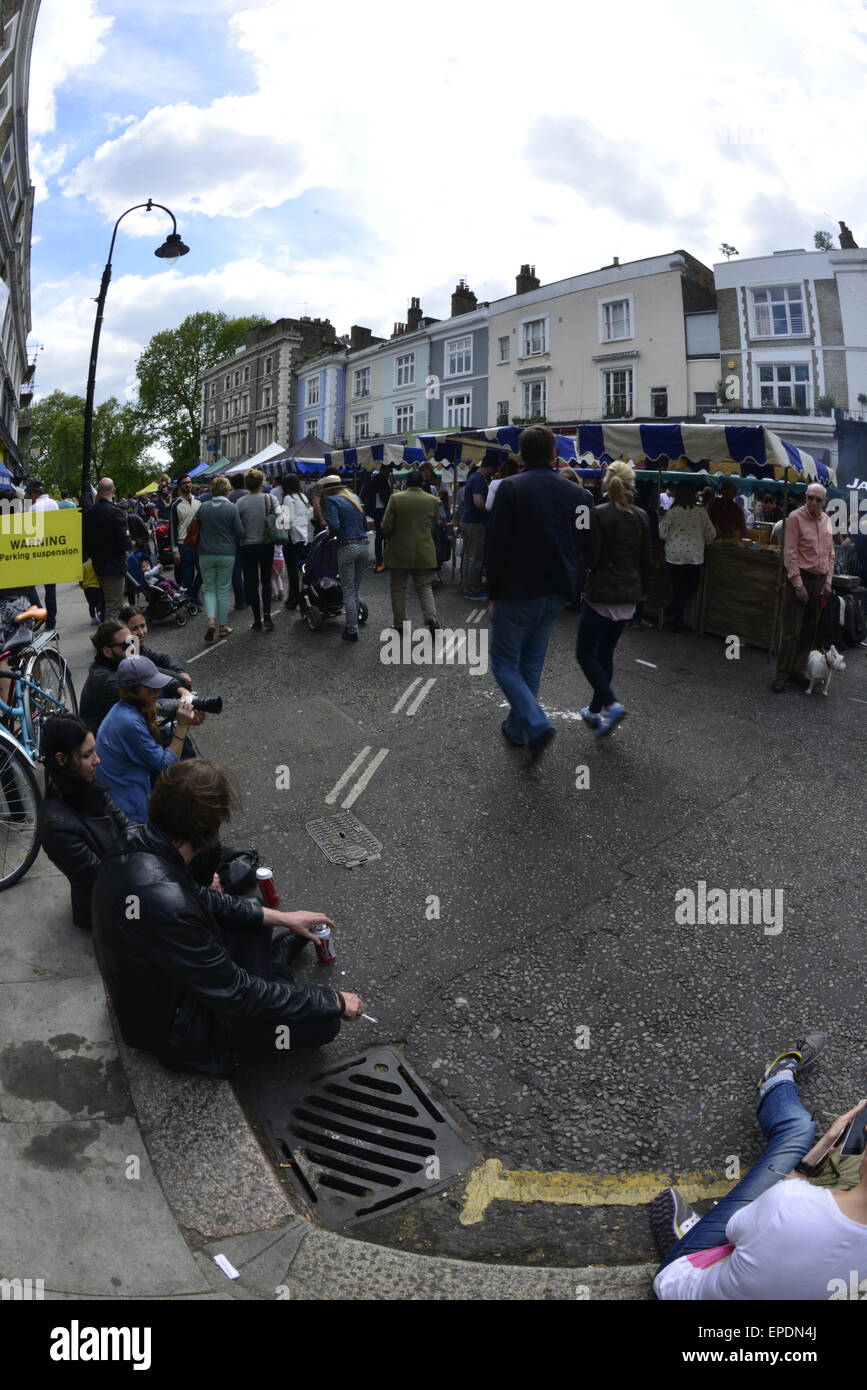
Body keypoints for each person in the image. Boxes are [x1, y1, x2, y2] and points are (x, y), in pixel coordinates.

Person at [91, 759, 363, 1077]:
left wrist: (283, 918)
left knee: (252, 913)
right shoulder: (168, 905)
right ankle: (276, 970)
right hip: (175, 1028)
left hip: (157, 988)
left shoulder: (139, 840)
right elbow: (236, 993)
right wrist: (331, 999)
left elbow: (200, 897)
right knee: (324, 1025)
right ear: (211, 825)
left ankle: (275, 972)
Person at [652, 1034, 867, 1300]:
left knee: (798, 1129)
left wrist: (823, 1146)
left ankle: (778, 1076)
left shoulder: (789, 1201)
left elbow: (735, 1232)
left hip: (681, 1285)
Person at [485, 426, 591, 760]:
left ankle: (534, 721)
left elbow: (496, 545)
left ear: (521, 454)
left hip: (518, 590)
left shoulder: (510, 488)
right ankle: (519, 729)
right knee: (531, 663)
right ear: (553, 454)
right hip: (557, 591)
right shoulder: (582, 496)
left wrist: (493, 593)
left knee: (503, 662)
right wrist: (575, 587)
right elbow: (585, 545)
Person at [576, 459, 652, 738]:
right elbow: (647, 558)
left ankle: (610, 703)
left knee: (584, 653)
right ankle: (595, 710)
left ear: (607, 483)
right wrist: (644, 590)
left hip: (602, 593)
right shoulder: (642, 516)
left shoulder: (597, 513)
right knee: (605, 652)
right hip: (629, 594)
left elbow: (592, 557)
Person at [38, 715, 128, 931]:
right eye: (88, 754)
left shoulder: (81, 781)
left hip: (127, 877)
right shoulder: (55, 825)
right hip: (111, 907)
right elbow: (105, 882)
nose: (98, 760)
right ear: (62, 759)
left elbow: (126, 825)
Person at [94, 656, 196, 821]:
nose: (157, 691)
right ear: (131, 690)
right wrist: (182, 727)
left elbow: (157, 729)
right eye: (150, 688)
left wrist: (185, 721)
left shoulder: (125, 709)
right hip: (131, 814)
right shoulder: (129, 721)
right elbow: (166, 765)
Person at [771, 483, 835, 693]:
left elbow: (830, 554)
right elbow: (790, 554)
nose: (813, 502)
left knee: (809, 631)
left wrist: (828, 582)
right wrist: (798, 585)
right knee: (791, 631)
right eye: (809, 497)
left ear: (825, 502)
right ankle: (782, 674)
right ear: (805, 497)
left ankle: (797, 670)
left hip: (819, 581)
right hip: (800, 579)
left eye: (817, 499)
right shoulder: (795, 518)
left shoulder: (826, 520)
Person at [381, 468, 441, 634]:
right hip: (423, 550)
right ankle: (431, 617)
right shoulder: (432, 500)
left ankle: (400, 624)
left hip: (399, 551)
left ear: (406, 483)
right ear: (423, 483)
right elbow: (435, 525)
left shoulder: (396, 498)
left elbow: (386, 526)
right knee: (424, 587)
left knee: (398, 589)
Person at [658, 482, 717, 632]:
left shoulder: (671, 512)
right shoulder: (701, 512)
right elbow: (711, 534)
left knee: (678, 588)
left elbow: (662, 534)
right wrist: (704, 541)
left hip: (674, 554)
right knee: (691, 587)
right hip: (694, 555)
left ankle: (671, 615)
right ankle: (673, 618)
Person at [321, 474, 369, 642]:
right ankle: (354, 621)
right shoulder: (354, 498)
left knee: (347, 589)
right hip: (364, 545)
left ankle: (351, 630)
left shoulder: (331, 501)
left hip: (347, 546)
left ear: (328, 491)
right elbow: (364, 523)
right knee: (355, 588)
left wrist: (330, 534)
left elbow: (334, 526)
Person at [196, 475, 244, 641]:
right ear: (227, 490)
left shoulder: (203, 507)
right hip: (226, 553)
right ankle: (222, 627)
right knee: (223, 589)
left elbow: (193, 527)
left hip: (205, 553)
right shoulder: (231, 508)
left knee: (209, 588)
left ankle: (210, 621)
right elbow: (240, 532)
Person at [81, 477, 131, 620]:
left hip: (98, 565)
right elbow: (124, 542)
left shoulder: (89, 513)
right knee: (114, 606)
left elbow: (85, 540)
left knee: (106, 602)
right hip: (114, 566)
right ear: (113, 490)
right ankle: (110, 638)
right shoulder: (116, 512)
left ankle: (109, 633)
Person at [236, 468, 277, 631]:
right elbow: (283, 519)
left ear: (247, 484)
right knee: (266, 580)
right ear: (262, 483)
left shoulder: (240, 502)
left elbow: (236, 527)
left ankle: (256, 620)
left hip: (247, 546)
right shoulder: (270, 498)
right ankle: (267, 616)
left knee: (251, 583)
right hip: (266, 544)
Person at [79, 619, 136, 732]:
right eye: (126, 645)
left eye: (133, 641)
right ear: (107, 652)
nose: (133, 648)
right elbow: (143, 707)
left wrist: (177, 682)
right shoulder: (111, 683)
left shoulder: (111, 665)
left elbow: (154, 669)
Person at [118, 605, 192, 690]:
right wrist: (181, 680)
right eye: (135, 629)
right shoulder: (127, 655)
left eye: (142, 626)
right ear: (124, 631)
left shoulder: (140, 649)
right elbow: (155, 671)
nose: (141, 632)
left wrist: (180, 672)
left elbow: (164, 658)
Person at [459, 457, 497, 600]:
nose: (493, 473)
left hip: (468, 521)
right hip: (475, 523)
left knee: (468, 557)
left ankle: (467, 587)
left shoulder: (473, 478)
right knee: (476, 558)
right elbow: (479, 502)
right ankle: (473, 590)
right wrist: (491, 509)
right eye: (493, 470)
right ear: (488, 467)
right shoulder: (479, 480)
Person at [24, 478, 59, 629]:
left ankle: (39, 610)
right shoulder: (54, 503)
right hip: (52, 550)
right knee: (50, 589)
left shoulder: (33, 508)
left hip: (37, 552)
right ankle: (51, 622)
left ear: (32, 493)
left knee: (28, 585)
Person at [277, 474, 313, 610]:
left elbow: (287, 521)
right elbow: (310, 514)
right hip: (305, 538)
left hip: (292, 538)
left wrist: (279, 521)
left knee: (292, 573)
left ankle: (294, 599)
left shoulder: (287, 498)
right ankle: (304, 597)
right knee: (303, 570)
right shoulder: (303, 497)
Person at [169, 474, 202, 608]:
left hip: (199, 544)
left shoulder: (199, 502)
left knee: (203, 573)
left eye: (189, 482)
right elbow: (172, 529)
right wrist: (175, 550)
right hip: (183, 544)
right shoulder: (175, 505)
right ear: (179, 486)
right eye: (184, 483)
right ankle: (191, 601)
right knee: (187, 576)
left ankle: (193, 594)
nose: (188, 485)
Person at [360, 462, 395, 572]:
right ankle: (382, 560)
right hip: (382, 510)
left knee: (380, 535)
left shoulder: (375, 479)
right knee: (383, 535)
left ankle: (381, 559)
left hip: (376, 510)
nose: (390, 471)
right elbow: (385, 496)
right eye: (389, 469)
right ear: (384, 469)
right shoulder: (381, 479)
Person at [80, 560, 104, 625]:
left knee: (91, 604)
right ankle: (100, 616)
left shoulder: (83, 566)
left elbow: (80, 577)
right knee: (98, 602)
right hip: (96, 586)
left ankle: (93, 619)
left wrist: (81, 585)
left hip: (86, 587)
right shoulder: (95, 563)